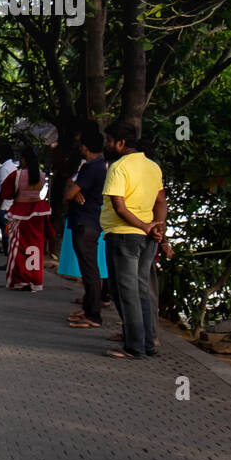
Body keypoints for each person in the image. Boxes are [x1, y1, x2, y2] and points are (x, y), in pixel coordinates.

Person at [101, 121, 165, 359]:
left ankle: (134, 346)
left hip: (124, 234)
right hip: (147, 237)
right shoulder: (153, 166)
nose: (106, 145)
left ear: (120, 143)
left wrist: (145, 226)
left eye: (109, 141)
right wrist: (158, 228)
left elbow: (119, 205)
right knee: (140, 290)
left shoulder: (118, 167)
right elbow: (161, 201)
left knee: (125, 291)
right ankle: (147, 343)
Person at [65, 128, 107, 328]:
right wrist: (74, 189)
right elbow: (72, 190)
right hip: (88, 219)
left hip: (86, 221)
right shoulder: (98, 166)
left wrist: (73, 189)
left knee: (89, 270)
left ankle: (93, 314)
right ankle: (90, 308)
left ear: (85, 146)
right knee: (88, 269)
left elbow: (69, 192)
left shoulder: (92, 167)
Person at [0, 146, 55, 291]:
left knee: (17, 247)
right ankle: (35, 280)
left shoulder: (17, 175)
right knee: (35, 246)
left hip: (20, 213)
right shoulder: (42, 176)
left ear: (24, 159)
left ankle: (20, 279)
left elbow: (6, 193)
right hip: (38, 214)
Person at [0, 145, 19, 257]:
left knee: (6, 231)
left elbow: (4, 189)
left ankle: (8, 253)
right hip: (9, 204)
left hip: (3, 205)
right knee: (8, 230)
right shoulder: (13, 167)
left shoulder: (4, 169)